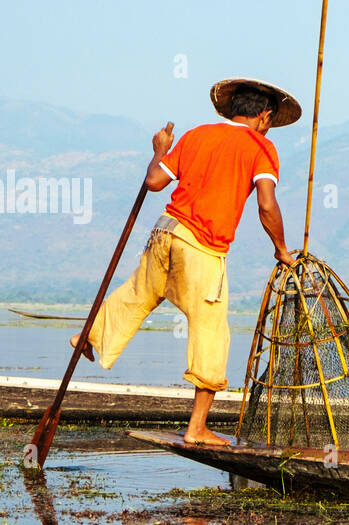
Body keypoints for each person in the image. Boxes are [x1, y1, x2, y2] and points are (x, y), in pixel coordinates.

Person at [71, 78, 300, 445]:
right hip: (202, 245)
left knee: (137, 294)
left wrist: (160, 150)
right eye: (270, 120)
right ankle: (196, 429)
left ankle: (90, 335)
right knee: (211, 330)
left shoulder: (195, 135)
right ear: (264, 116)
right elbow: (266, 204)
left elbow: (153, 181)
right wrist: (281, 249)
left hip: (165, 231)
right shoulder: (261, 146)